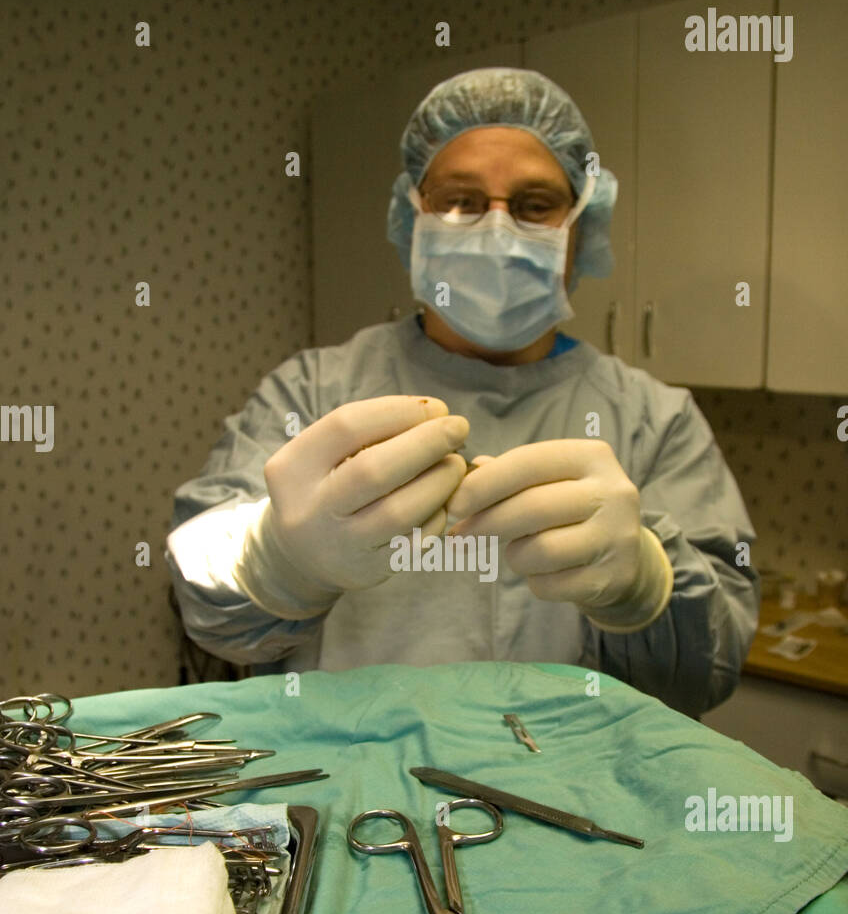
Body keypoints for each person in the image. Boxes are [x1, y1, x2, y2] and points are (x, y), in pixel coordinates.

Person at [166, 68, 759, 718]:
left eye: (534, 205)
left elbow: (711, 668)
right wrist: (274, 560)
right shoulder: (314, 390)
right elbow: (202, 591)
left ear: (580, 228)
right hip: (349, 790)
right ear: (410, 218)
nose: (497, 231)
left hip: (573, 797)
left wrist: (648, 590)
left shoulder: (654, 419)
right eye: (460, 201)